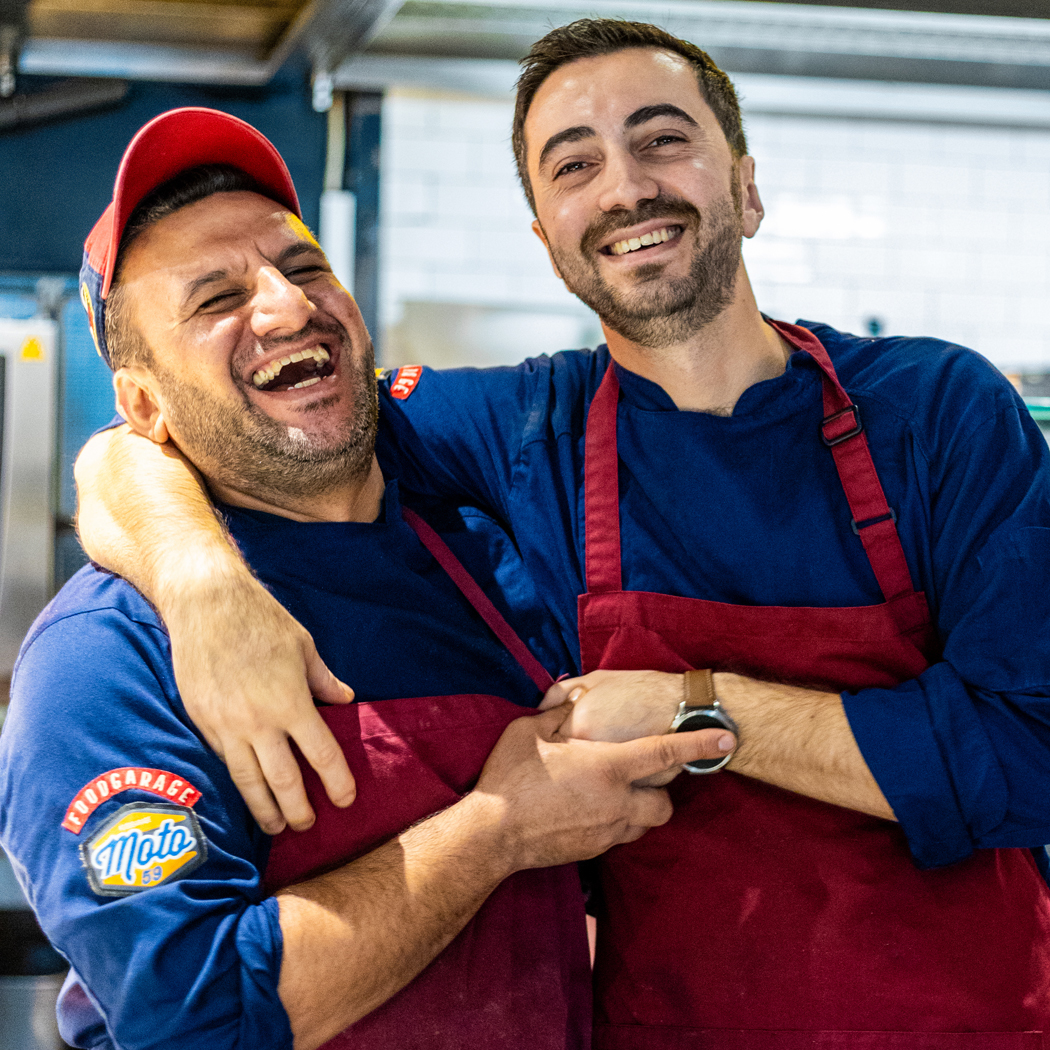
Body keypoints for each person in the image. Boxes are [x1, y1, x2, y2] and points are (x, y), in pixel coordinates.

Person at [74, 19, 1050, 1046]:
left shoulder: (933, 409)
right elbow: (208, 433)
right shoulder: (517, 432)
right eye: (574, 164)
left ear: (748, 188)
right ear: (546, 238)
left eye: (662, 139)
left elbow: (1030, 753)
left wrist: (696, 710)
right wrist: (202, 588)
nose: (625, 188)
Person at [0, 106, 730, 1050]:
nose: (288, 306)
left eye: (303, 268)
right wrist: (495, 831)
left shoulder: (486, 540)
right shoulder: (108, 657)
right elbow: (197, 1017)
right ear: (142, 404)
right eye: (216, 298)